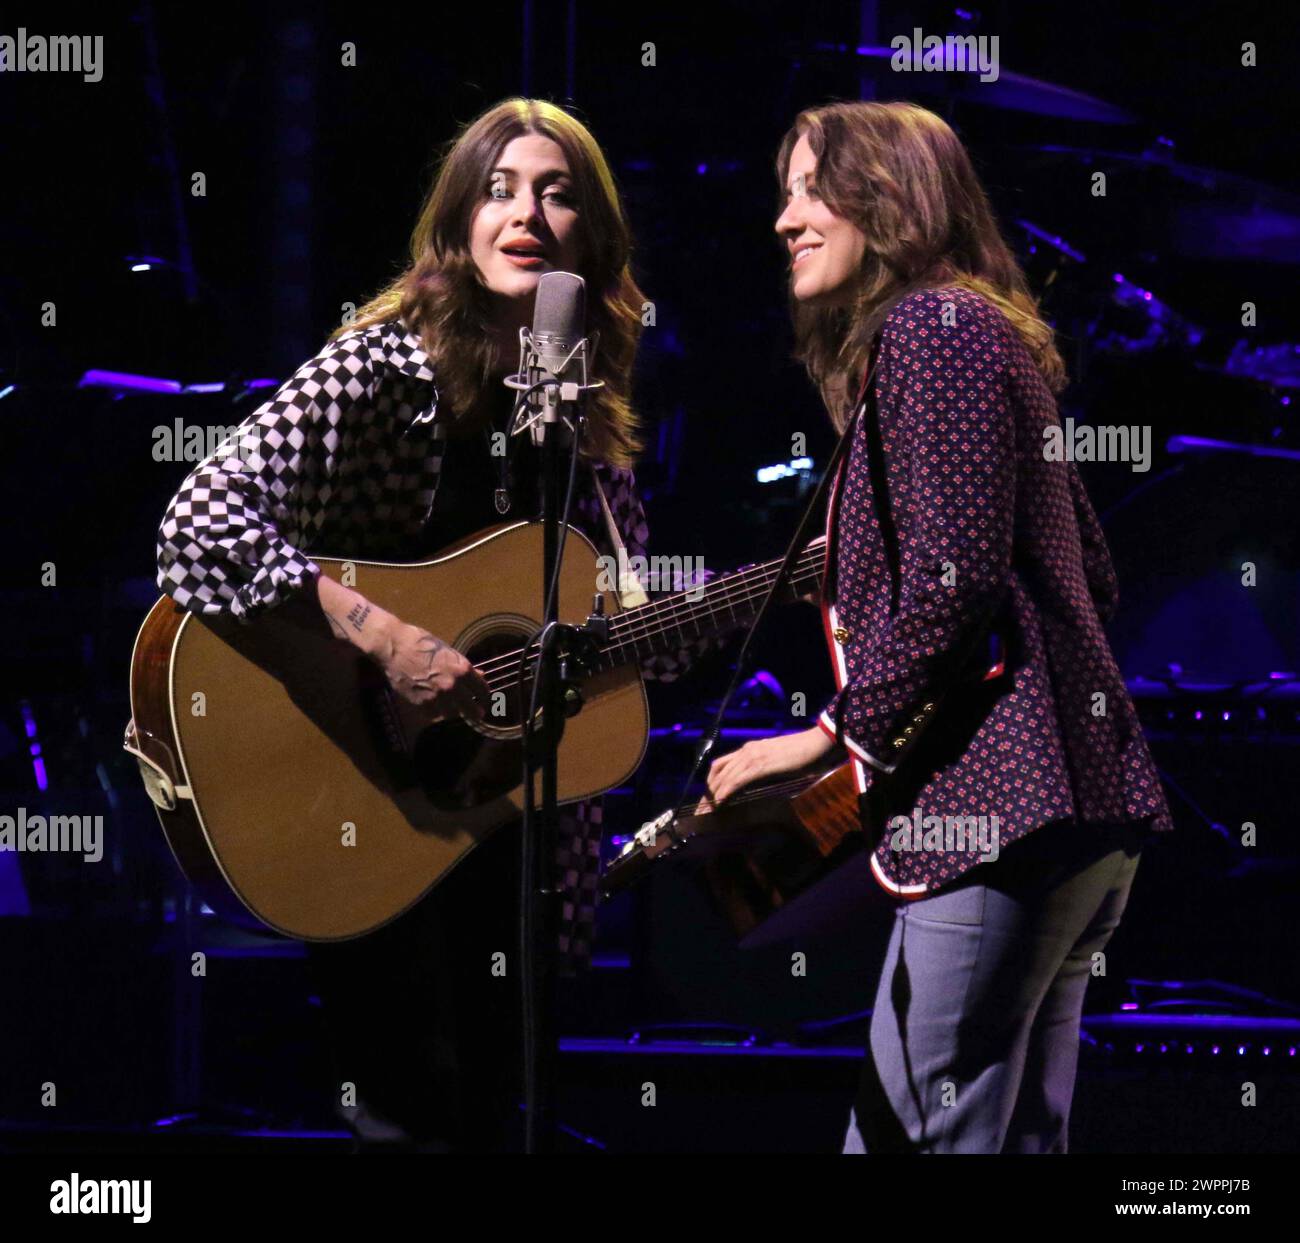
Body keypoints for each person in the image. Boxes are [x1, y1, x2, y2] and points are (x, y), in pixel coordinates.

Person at [155, 98, 712, 1152]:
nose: (528, 214)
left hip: (512, 838)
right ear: (455, 227)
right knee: (416, 1109)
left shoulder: (583, 431)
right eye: (497, 191)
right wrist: (385, 636)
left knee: (504, 1113)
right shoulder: (382, 372)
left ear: (593, 239)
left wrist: (746, 606)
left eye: (557, 195)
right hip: (361, 794)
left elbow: (620, 631)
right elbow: (198, 518)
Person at [704, 101, 1173, 1154]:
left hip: (1003, 813)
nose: (782, 218)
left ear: (885, 196)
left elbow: (953, 583)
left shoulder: (929, 329)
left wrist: (827, 735)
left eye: (806, 187)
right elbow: (1086, 569)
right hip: (1075, 817)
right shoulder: (978, 331)